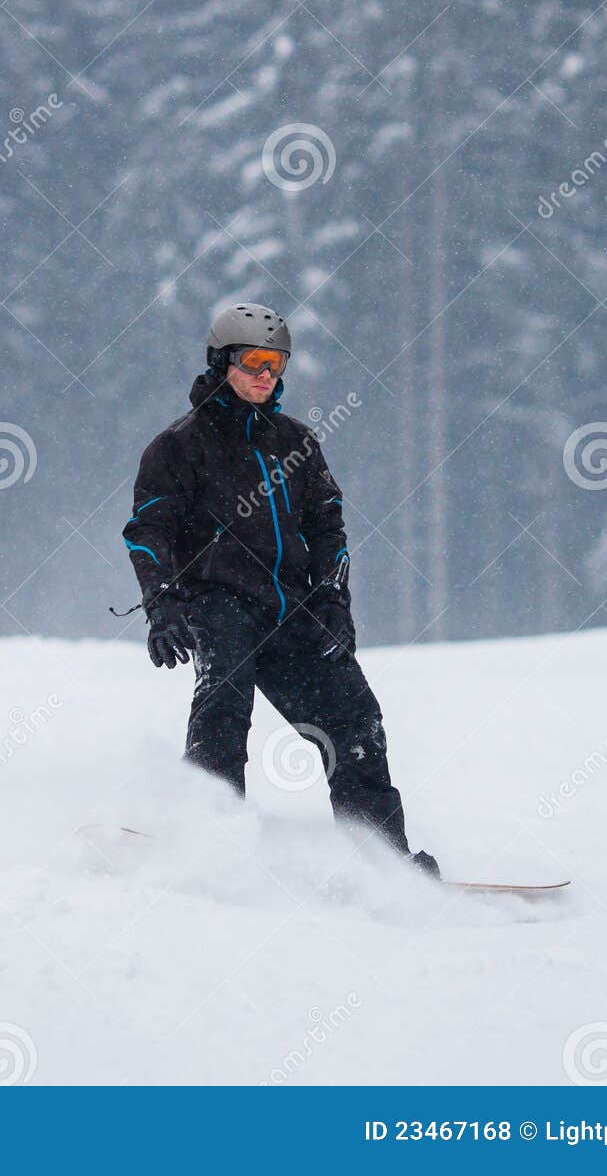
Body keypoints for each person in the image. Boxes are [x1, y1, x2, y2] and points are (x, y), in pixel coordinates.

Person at [122, 301, 438, 876]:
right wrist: (163, 603)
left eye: (278, 363)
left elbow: (328, 524)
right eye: (255, 361)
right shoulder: (177, 447)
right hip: (217, 603)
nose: (268, 375)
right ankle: (207, 840)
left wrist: (333, 599)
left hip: (293, 608)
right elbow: (148, 530)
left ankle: (380, 862)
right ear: (222, 363)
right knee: (224, 705)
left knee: (354, 718)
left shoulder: (297, 443)